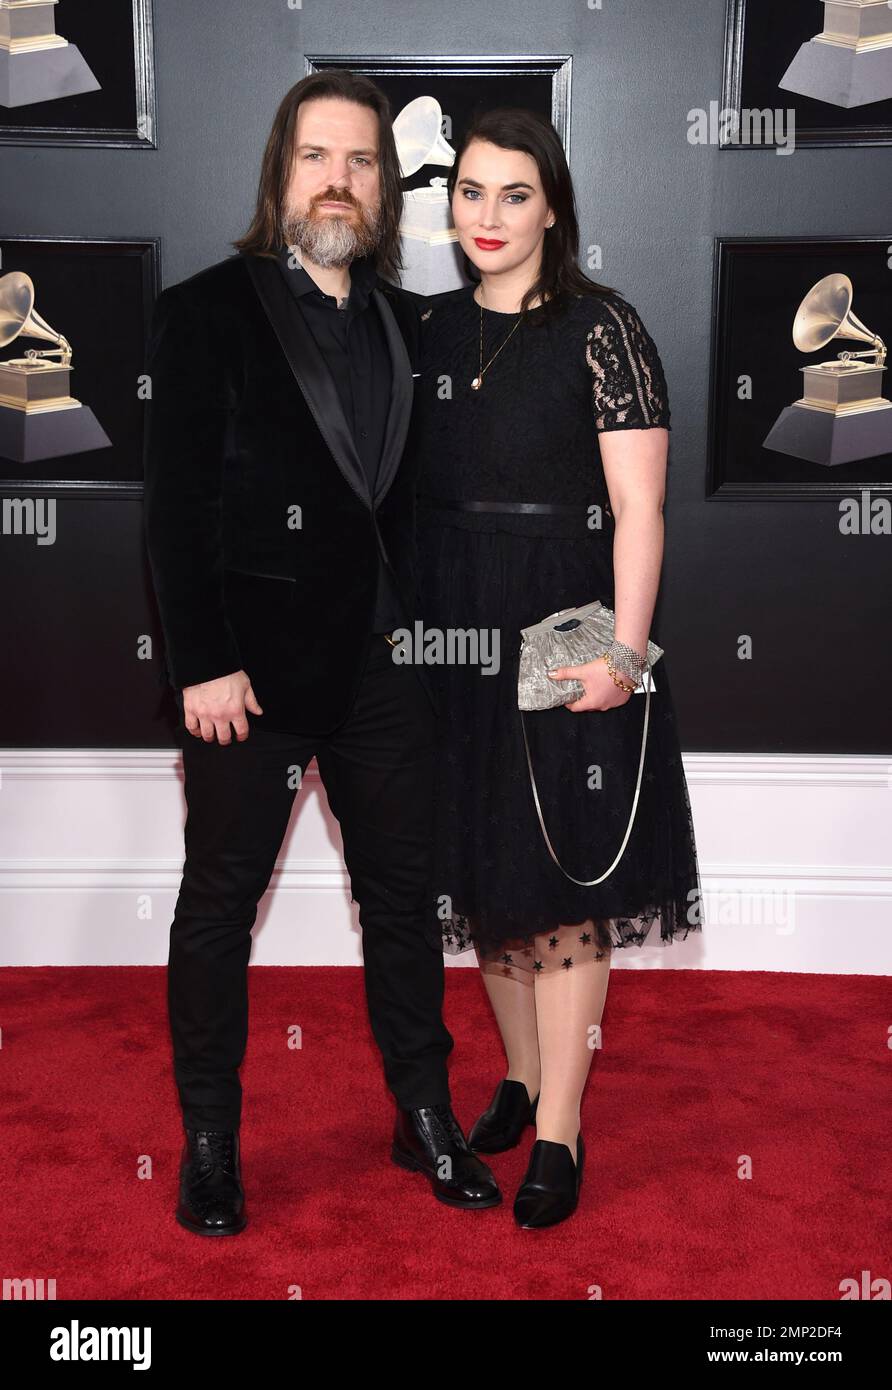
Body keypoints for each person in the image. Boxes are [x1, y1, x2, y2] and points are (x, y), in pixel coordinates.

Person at [142, 70, 500, 1236]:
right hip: (249, 677)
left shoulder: (412, 324)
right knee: (218, 907)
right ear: (279, 175)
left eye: (359, 162)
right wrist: (201, 662)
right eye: (316, 158)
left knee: (402, 900)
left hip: (383, 675)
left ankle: (423, 1116)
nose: (338, 180)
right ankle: (208, 1141)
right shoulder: (206, 312)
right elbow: (176, 508)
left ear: (386, 190)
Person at [413, 107, 703, 1229]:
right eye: (470, 191)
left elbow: (640, 507)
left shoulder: (601, 326)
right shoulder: (430, 330)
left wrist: (623, 651)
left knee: (568, 879)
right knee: (486, 873)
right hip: (453, 624)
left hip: (572, 615)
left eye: (514, 194)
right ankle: (521, 1073)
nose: (487, 216)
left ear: (553, 206)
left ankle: (562, 1126)